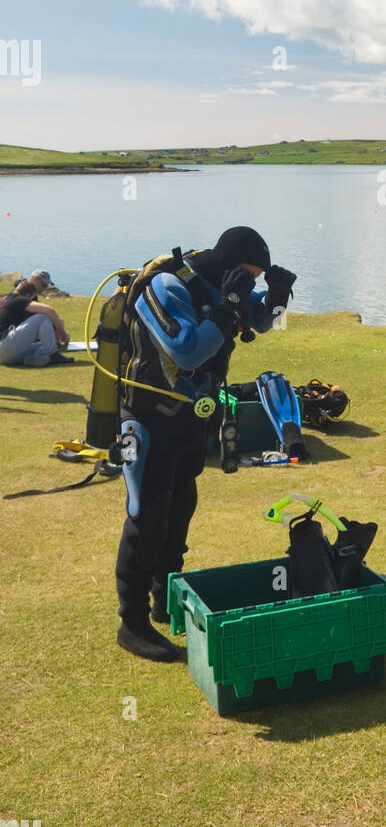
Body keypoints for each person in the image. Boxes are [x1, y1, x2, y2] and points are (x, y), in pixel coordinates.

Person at [114, 226, 297, 662]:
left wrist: (275, 298)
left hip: (191, 419)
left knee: (181, 507)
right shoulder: (166, 285)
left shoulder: (225, 286)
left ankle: (165, 598)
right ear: (231, 265)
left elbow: (256, 322)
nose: (247, 285)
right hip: (146, 418)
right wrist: (229, 306)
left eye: (255, 278)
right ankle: (132, 621)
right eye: (249, 276)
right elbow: (188, 351)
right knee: (147, 515)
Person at [0, 279, 71, 367]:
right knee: (42, 317)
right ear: (27, 295)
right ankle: (53, 355)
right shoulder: (17, 300)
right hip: (5, 346)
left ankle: (33, 360)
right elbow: (49, 310)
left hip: (4, 355)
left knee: (42, 346)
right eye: (31, 298)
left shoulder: (3, 299)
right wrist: (61, 331)